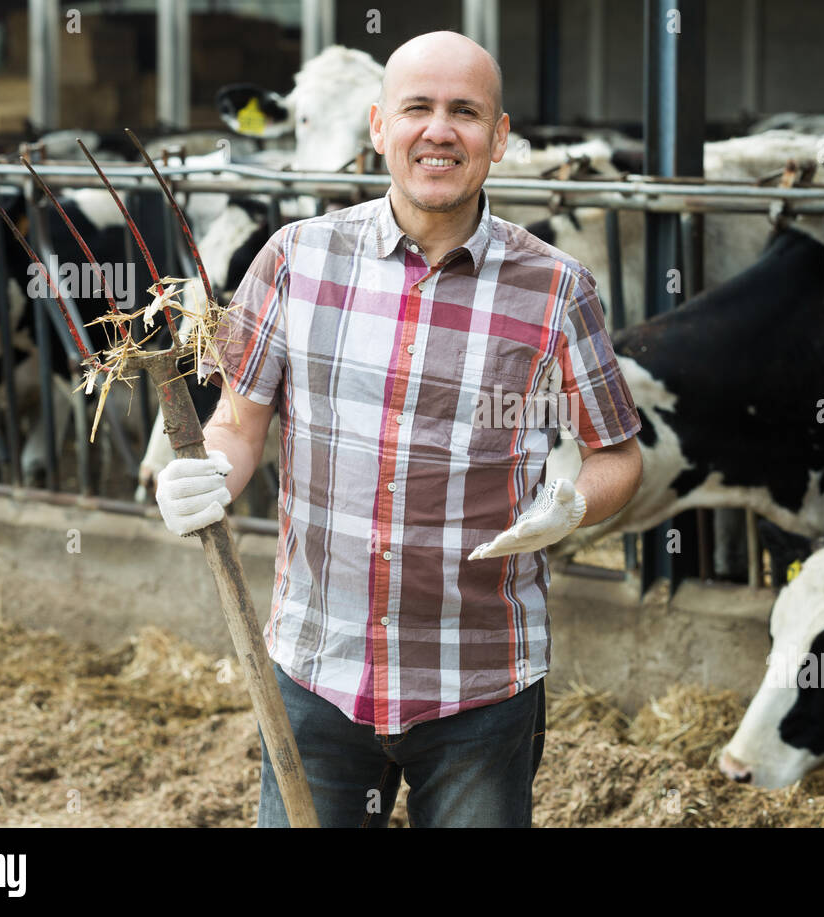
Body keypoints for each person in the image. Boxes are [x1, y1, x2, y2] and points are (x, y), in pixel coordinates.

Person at [154, 30, 642, 828]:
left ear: (501, 136)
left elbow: (619, 455)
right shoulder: (293, 261)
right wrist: (203, 472)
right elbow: (239, 424)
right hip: (316, 673)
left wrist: (575, 501)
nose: (439, 130)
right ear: (379, 126)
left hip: (480, 687)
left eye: (466, 112)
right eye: (417, 108)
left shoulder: (558, 290)